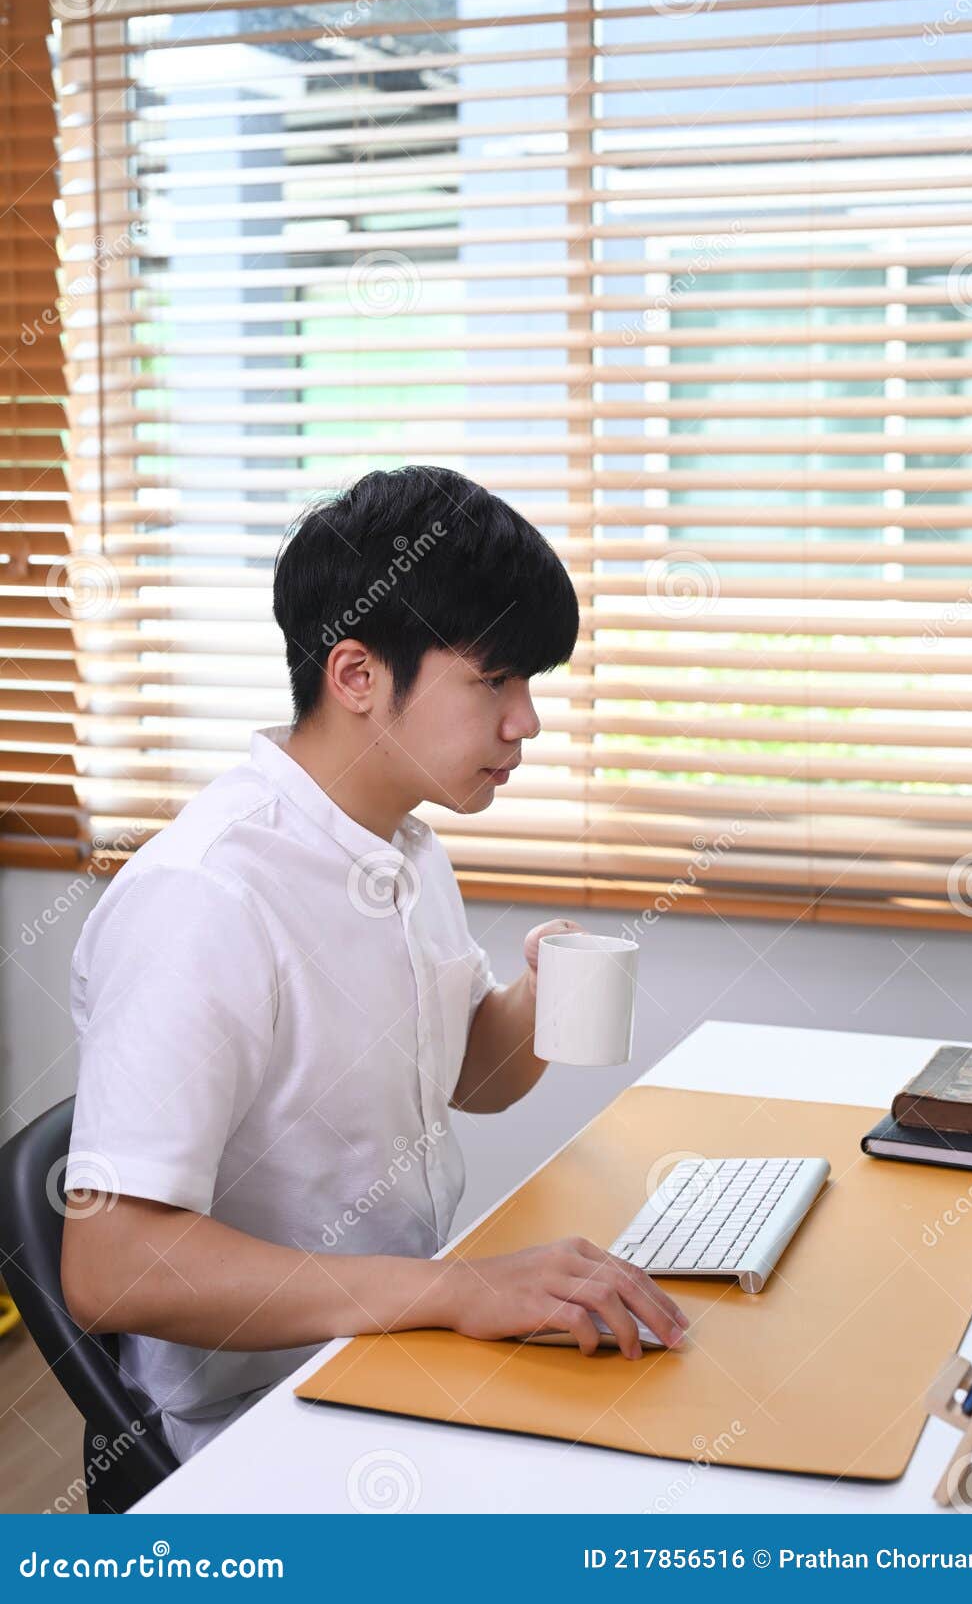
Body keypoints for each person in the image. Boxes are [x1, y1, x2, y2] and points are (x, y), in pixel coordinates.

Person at [60, 465, 688, 1465]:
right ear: (356, 675)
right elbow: (112, 1268)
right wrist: (454, 1290)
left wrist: (534, 997)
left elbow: (470, 1078)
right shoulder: (205, 896)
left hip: (396, 1338)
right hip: (261, 1410)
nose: (526, 721)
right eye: (494, 680)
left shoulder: (402, 845)